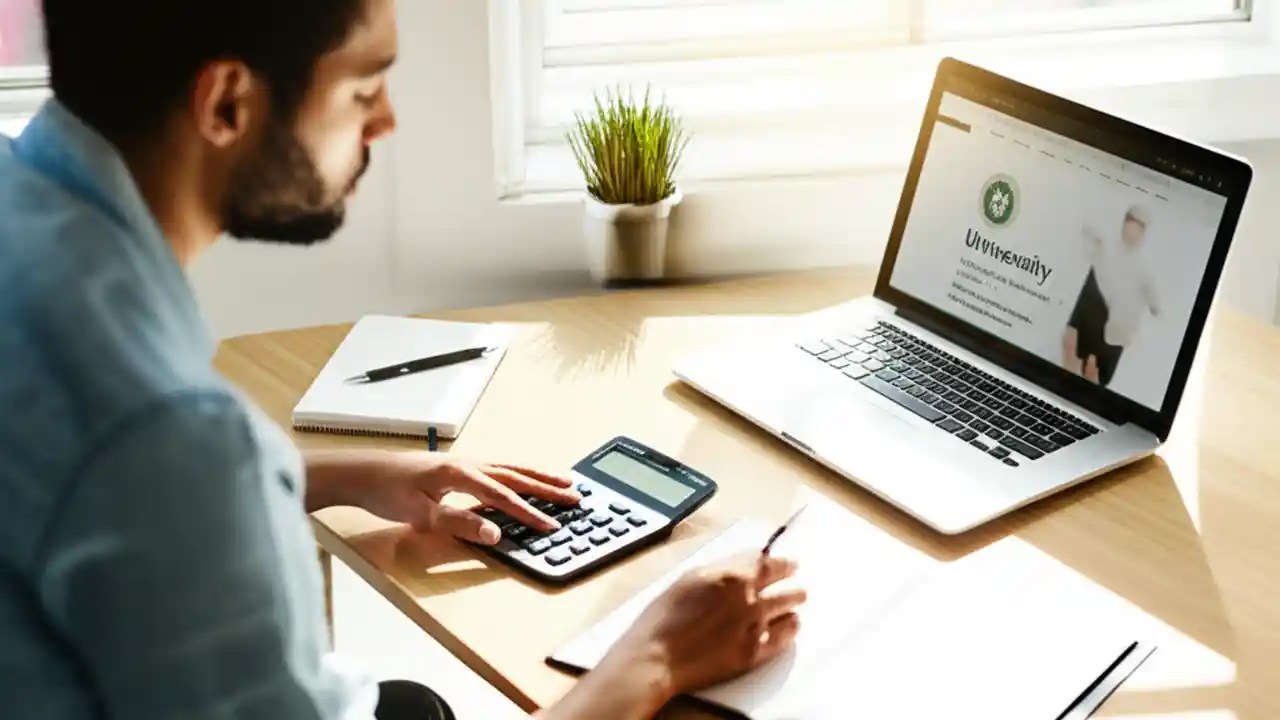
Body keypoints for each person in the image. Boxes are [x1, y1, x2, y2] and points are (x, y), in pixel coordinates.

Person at [0, 2, 807, 719]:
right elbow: (157, 461)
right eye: (362, 88)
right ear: (228, 102)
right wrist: (655, 653)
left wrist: (348, 475)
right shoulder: (169, 433)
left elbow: (91, 481)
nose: (385, 120)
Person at [1062, 205, 1162, 387]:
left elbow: (1152, 296)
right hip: (1094, 305)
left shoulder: (1142, 265)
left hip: (1116, 319)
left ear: (1142, 233)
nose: (1131, 231)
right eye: (1129, 224)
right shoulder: (1108, 245)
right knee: (1072, 344)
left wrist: (1154, 305)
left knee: (1094, 369)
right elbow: (1086, 231)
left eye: (1137, 228)